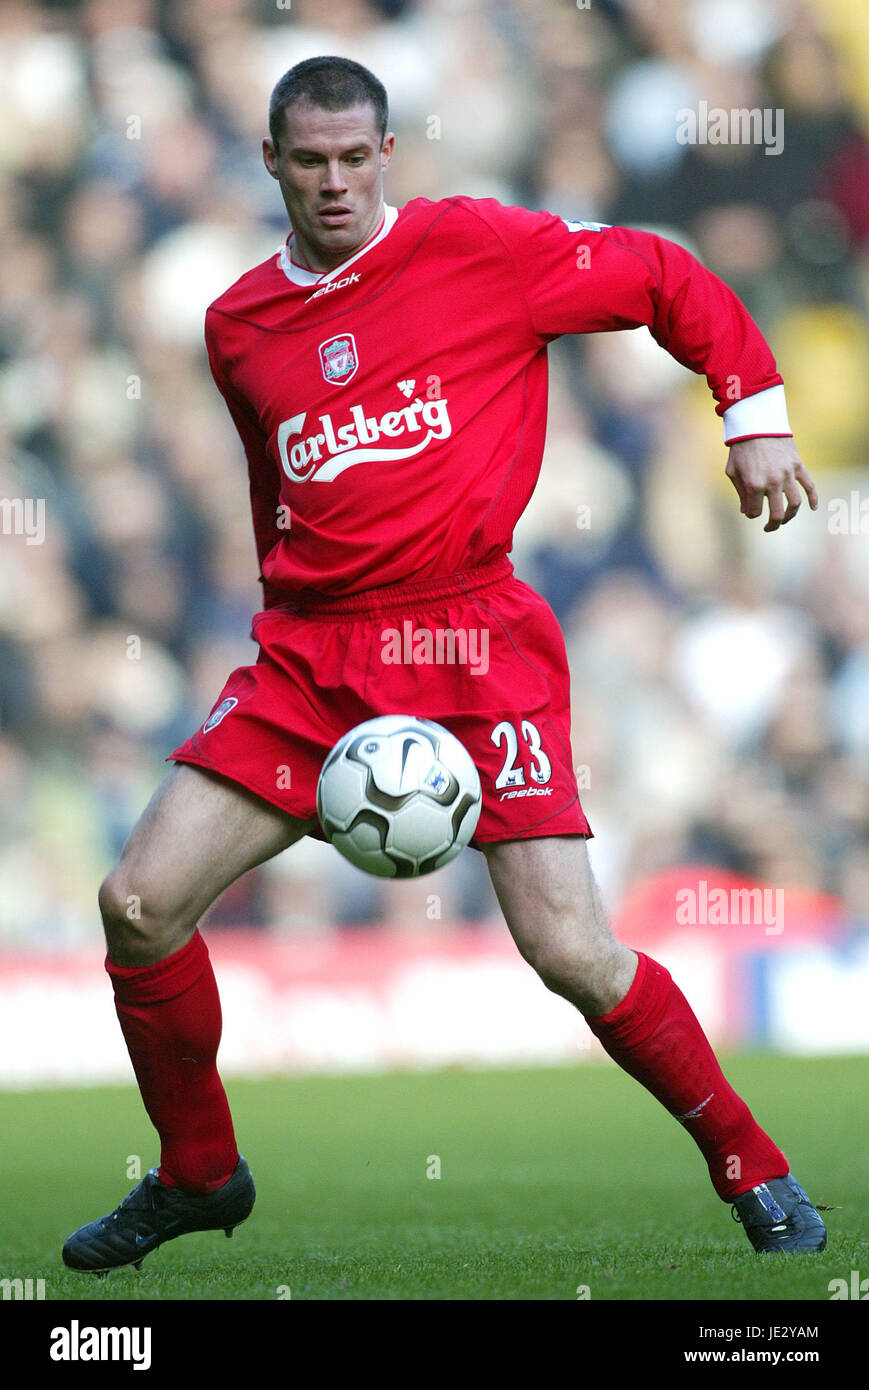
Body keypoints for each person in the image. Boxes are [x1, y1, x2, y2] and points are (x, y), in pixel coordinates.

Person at [62, 56, 826, 1274]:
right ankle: (199, 1173)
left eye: (354, 158)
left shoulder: (477, 249)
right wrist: (283, 635)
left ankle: (754, 1165)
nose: (332, 184)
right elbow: (278, 501)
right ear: (269, 162)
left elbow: (661, 273)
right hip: (311, 656)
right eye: (307, 161)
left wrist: (752, 418)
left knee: (570, 948)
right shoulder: (235, 326)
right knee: (139, 905)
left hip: (470, 636)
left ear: (386, 157)